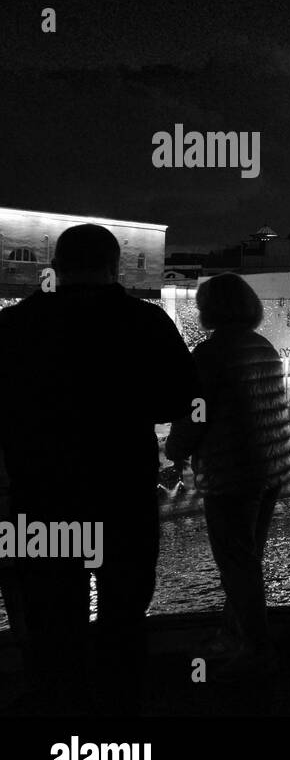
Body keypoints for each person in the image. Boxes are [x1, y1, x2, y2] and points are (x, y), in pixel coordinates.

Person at [0, 224, 198, 714]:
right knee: (124, 609)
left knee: (51, 610)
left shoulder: (14, 326)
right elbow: (184, 398)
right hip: (122, 491)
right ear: (116, 266)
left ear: (56, 266)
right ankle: (119, 703)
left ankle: (59, 705)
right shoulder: (147, 322)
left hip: (43, 495)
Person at [165, 272, 290, 680]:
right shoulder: (265, 348)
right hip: (271, 467)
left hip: (231, 473)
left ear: (212, 310)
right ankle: (233, 633)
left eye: (203, 304)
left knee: (236, 564)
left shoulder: (211, 353)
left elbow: (195, 414)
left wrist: (174, 451)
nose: (199, 311)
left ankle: (257, 649)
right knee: (248, 560)